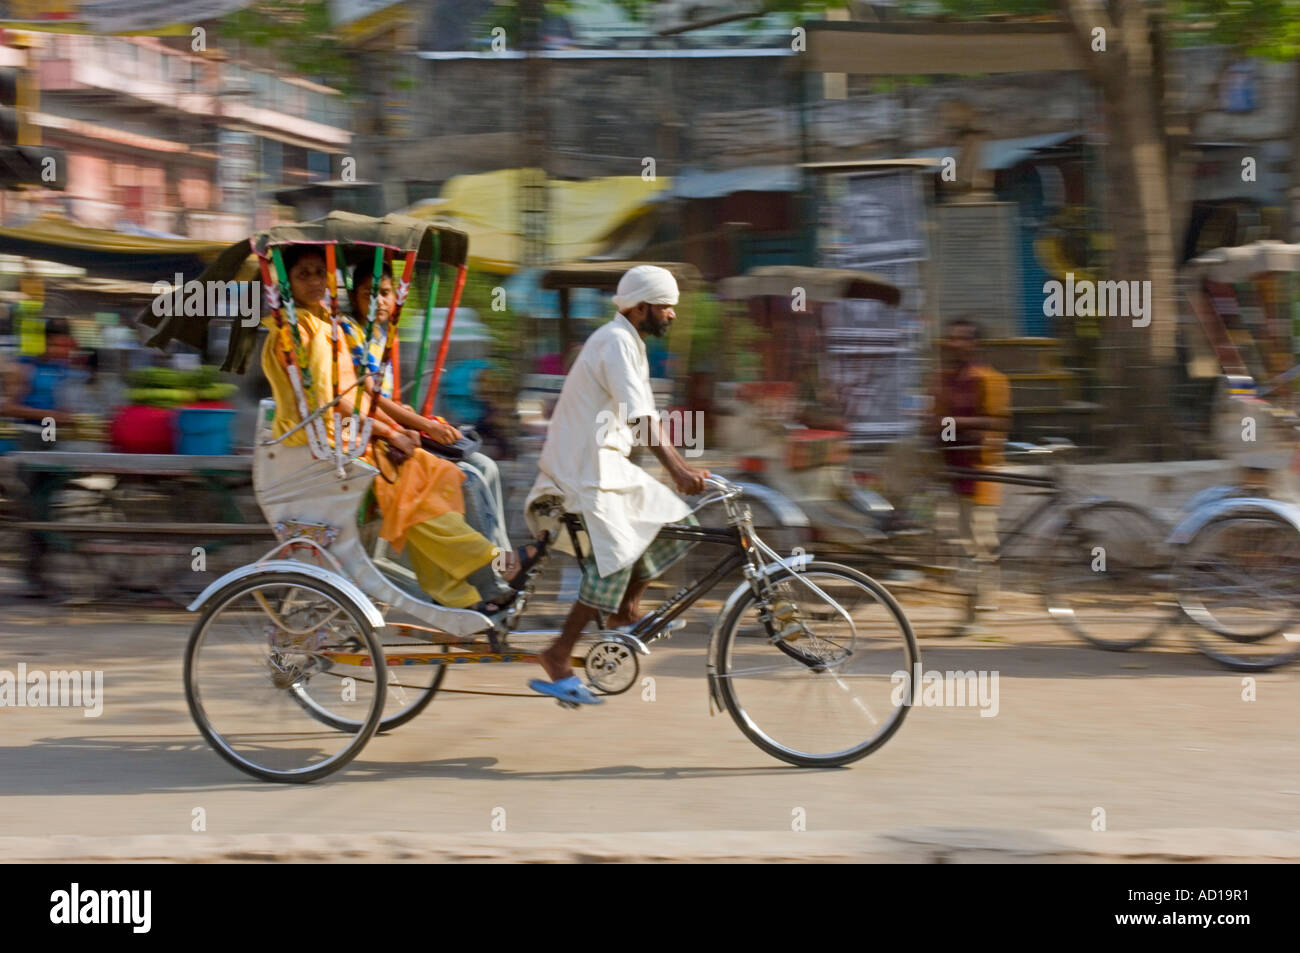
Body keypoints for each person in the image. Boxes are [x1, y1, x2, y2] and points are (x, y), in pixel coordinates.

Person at [260, 245, 517, 613]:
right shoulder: (305, 331)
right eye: (304, 275)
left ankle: (472, 589)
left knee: (449, 477)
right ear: (288, 284)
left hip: (357, 436)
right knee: (445, 482)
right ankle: (489, 571)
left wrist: (402, 428)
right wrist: (392, 431)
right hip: (336, 445)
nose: (316, 281)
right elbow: (333, 400)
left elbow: (355, 396)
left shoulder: (326, 326)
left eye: (321, 273)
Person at [523, 265, 710, 705]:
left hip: (606, 467)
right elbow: (641, 416)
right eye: (666, 307)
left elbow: (642, 414)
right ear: (641, 307)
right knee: (617, 555)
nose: (672, 316)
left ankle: (626, 611)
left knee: (670, 517)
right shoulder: (616, 341)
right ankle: (558, 654)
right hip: (580, 471)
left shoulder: (627, 341)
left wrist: (681, 471)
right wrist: (680, 470)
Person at [345, 262, 533, 564]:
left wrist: (416, 421)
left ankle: (501, 558)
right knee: (468, 477)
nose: (379, 301)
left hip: (397, 430)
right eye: (370, 293)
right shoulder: (349, 334)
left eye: (384, 293)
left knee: (487, 467)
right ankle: (493, 566)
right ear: (355, 298)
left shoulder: (381, 337)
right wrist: (421, 425)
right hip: (372, 440)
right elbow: (367, 396)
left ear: (395, 297)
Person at [929, 316, 1010, 634]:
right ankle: (975, 606)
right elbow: (934, 418)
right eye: (952, 338)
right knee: (965, 544)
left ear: (974, 343)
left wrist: (954, 423)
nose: (956, 344)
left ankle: (976, 613)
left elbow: (997, 423)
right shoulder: (943, 379)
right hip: (951, 471)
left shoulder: (990, 380)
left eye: (963, 338)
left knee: (978, 544)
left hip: (980, 471)